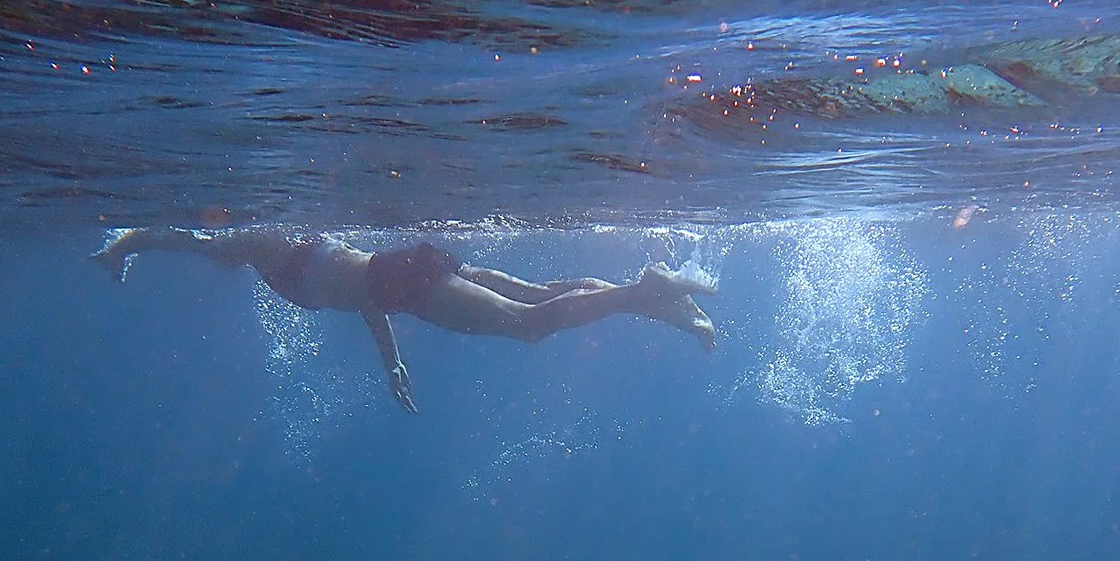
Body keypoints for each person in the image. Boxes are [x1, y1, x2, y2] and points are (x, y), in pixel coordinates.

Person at [93, 226, 718, 413]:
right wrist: (393, 362)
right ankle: (669, 306)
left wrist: (129, 245)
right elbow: (361, 297)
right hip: (402, 275)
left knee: (527, 324)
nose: (217, 257)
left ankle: (645, 290)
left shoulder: (263, 247)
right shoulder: (281, 257)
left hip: (404, 281)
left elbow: (190, 239)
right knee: (542, 293)